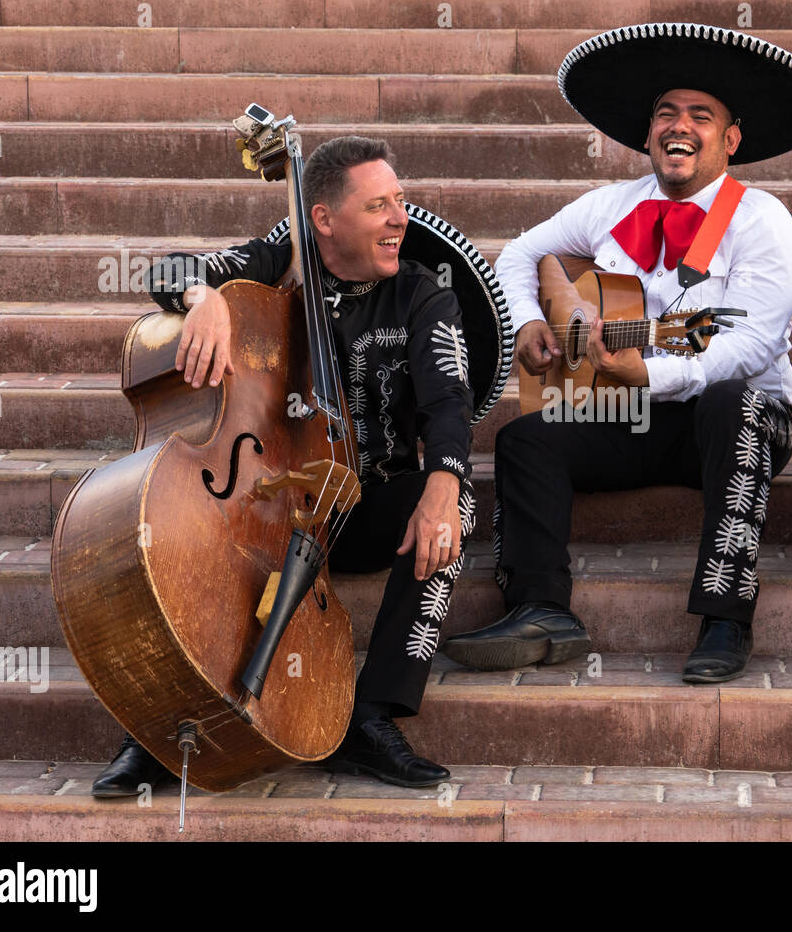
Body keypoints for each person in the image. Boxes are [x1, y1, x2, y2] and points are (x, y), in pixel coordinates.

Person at [91, 135, 509, 796]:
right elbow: (169, 270)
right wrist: (207, 300)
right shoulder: (277, 262)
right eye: (379, 206)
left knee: (452, 505)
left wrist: (444, 480)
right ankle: (154, 728)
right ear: (323, 219)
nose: (402, 217)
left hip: (360, 502)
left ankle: (371, 719)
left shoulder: (423, 294)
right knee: (185, 536)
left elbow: (449, 403)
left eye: (400, 200)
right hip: (267, 492)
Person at [442, 23, 792, 683]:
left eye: (700, 115)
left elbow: (749, 345)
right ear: (648, 132)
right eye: (665, 113)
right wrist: (535, 322)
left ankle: (725, 615)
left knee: (731, 401)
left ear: (731, 140)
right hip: (640, 409)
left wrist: (650, 369)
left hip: (745, 419)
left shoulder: (763, 221)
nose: (679, 126)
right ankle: (541, 608)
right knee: (525, 440)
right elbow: (520, 255)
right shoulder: (610, 204)